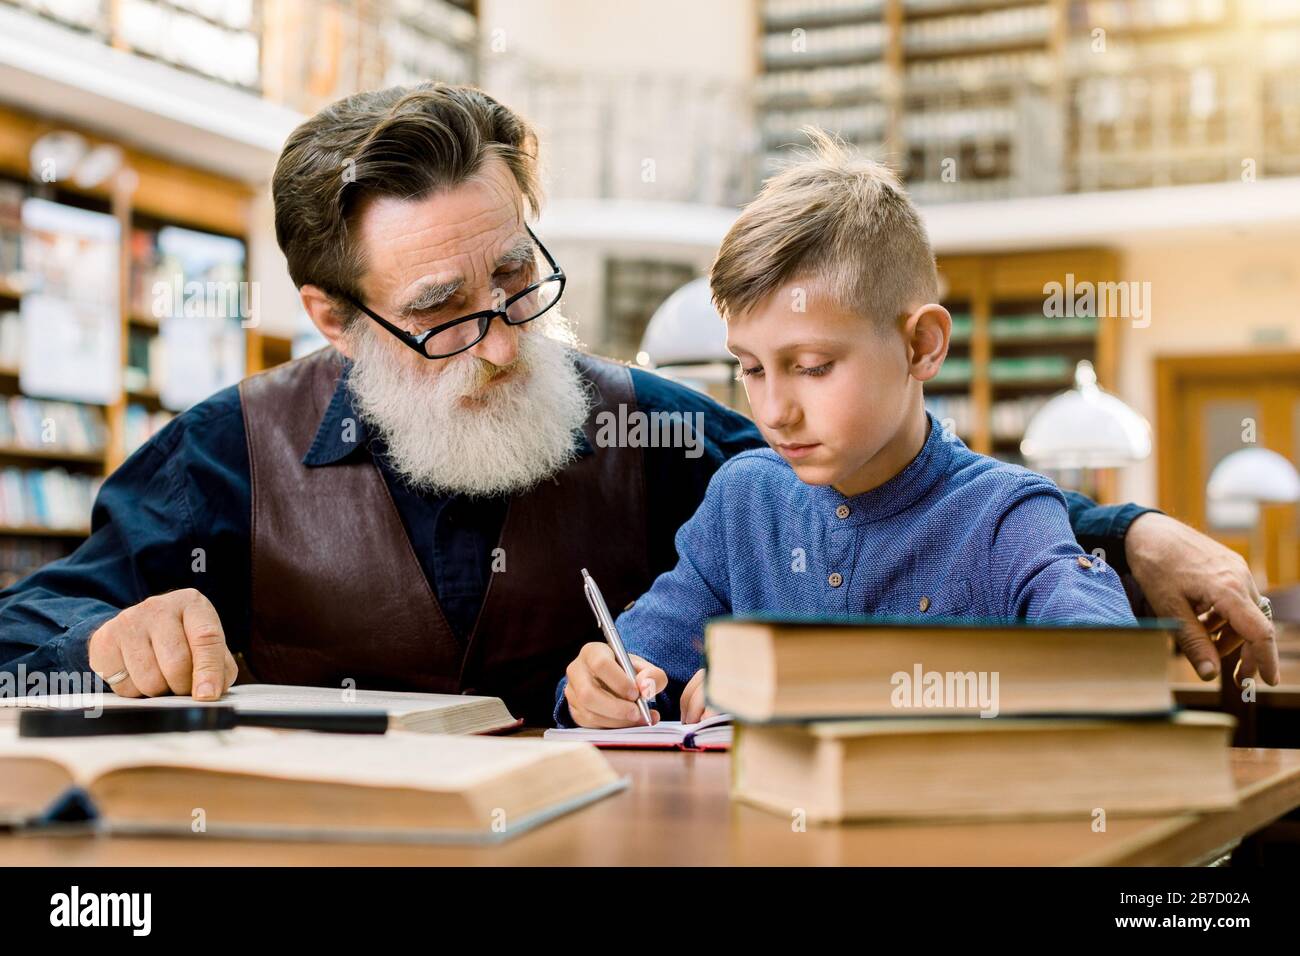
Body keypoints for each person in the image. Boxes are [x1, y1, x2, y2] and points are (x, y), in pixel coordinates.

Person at [0, 86, 1277, 727]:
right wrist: (107, 639)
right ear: (334, 317)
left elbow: (876, 479)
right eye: (445, 310)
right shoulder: (226, 452)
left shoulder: (652, 428)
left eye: (518, 277)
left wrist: (1124, 535)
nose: (506, 339)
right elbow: (27, 627)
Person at [557, 131, 1277, 728]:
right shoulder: (743, 502)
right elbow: (632, 660)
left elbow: (1112, 682)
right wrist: (596, 690)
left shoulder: (1006, 516)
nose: (774, 410)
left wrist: (797, 686)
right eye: (751, 368)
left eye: (811, 367)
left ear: (922, 346)